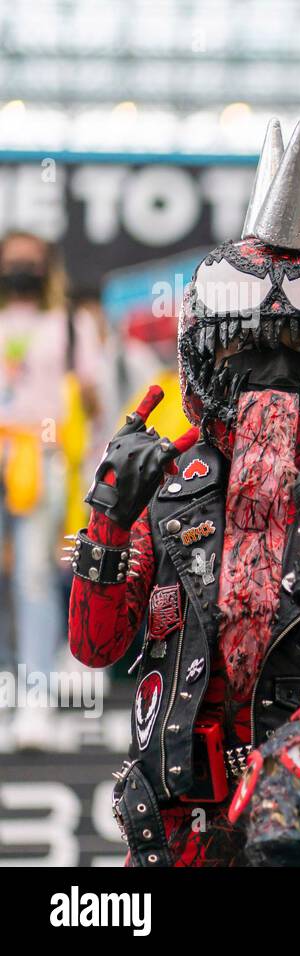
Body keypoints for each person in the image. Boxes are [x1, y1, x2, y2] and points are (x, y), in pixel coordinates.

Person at [67, 119, 300, 865]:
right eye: (249, 349)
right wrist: (107, 520)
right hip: (172, 828)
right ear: (205, 357)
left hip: (299, 817)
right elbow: (96, 647)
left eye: (296, 351)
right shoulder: (161, 492)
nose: (272, 374)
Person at [0, 231, 102, 749]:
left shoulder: (69, 323)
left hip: (40, 460)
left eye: (29, 261)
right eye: (12, 260)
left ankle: (34, 696)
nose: (20, 268)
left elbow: (92, 399)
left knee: (35, 579)